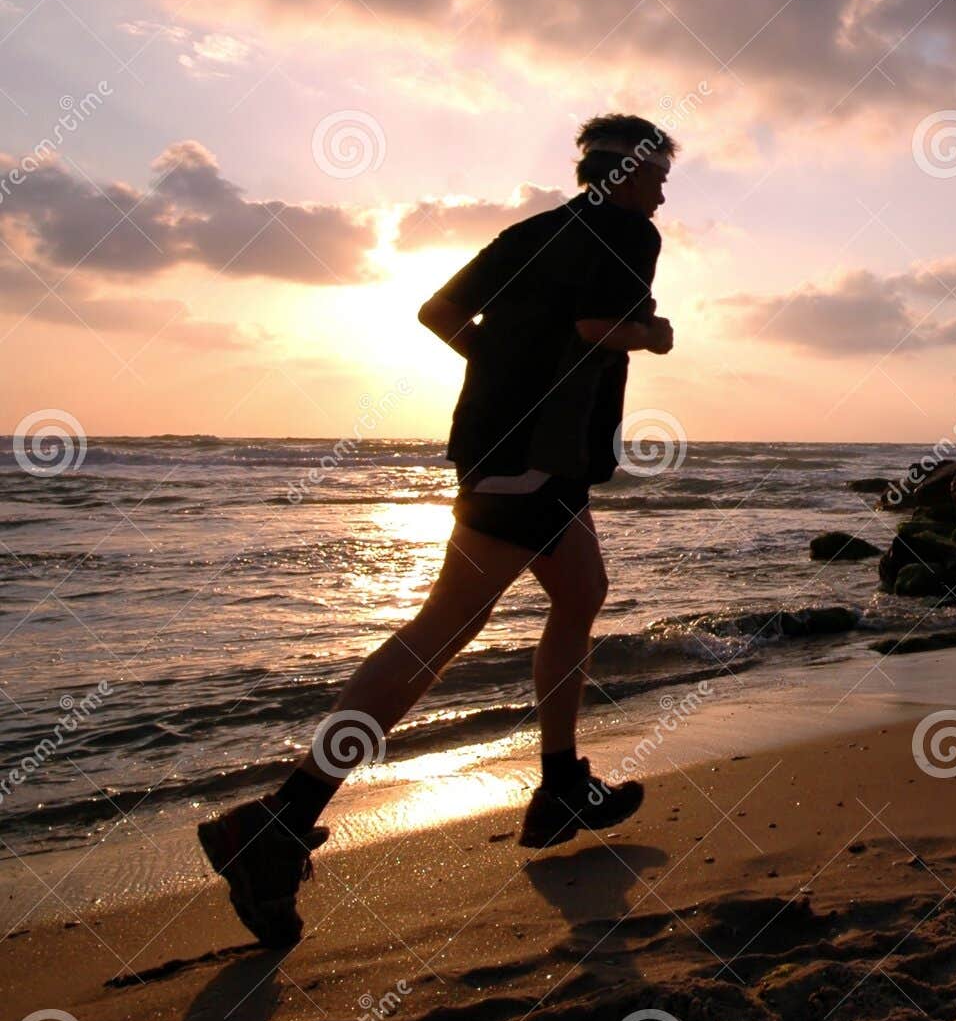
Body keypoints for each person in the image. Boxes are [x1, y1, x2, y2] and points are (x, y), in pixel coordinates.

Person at [198, 114, 678, 948]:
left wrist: (501, 365)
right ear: (629, 175)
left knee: (580, 591)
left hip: (511, 450)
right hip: (532, 456)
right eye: (660, 174)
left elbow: (436, 311)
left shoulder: (530, 232)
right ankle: (278, 821)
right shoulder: (628, 231)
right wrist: (653, 336)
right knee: (439, 633)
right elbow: (601, 328)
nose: (665, 190)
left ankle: (561, 782)